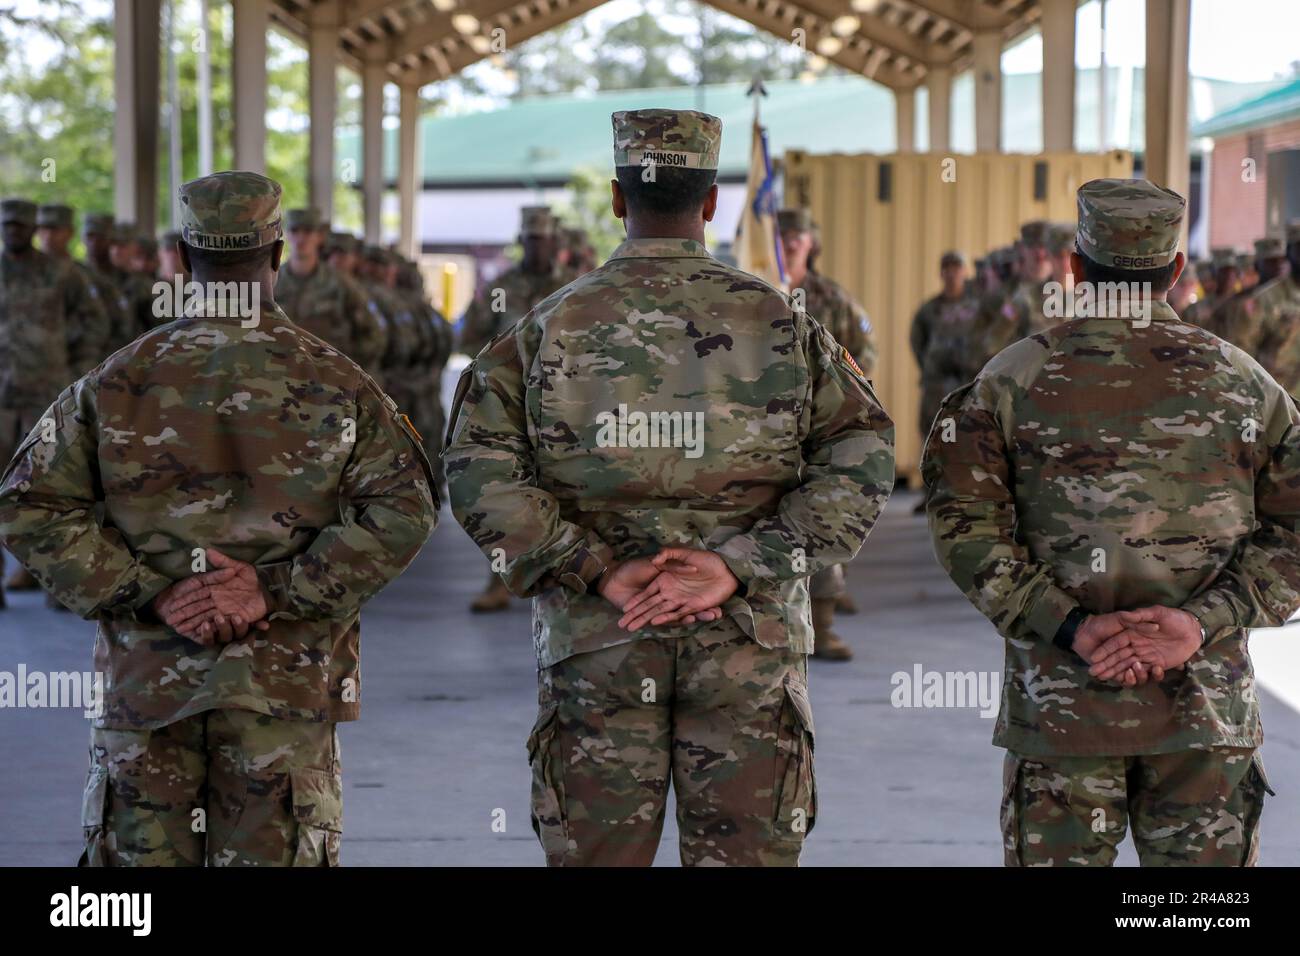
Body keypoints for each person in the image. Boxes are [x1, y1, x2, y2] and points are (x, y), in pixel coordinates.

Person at [444, 108, 895, 866]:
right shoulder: (784, 323)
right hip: (748, 647)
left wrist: (593, 568)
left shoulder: (546, 329)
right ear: (712, 202)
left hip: (599, 645)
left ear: (618, 200)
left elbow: (477, 467)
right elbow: (863, 451)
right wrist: (743, 564)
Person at [0, 171, 438, 865]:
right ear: (277, 255)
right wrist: (274, 589)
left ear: (180, 255)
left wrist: (151, 591)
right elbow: (405, 507)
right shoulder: (339, 383)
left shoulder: (115, 382)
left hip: (147, 692)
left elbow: (27, 505)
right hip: (283, 691)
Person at [923, 178, 1293, 867]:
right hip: (1204, 719)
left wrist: (1071, 625)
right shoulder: (1248, 385)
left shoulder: (1009, 380)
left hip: (1061, 716)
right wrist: (1200, 622)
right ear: (1176, 269)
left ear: (1073, 265)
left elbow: (963, 527)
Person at [460, 205, 572, 613]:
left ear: (555, 243)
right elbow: (471, 336)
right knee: (502, 493)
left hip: (563, 406)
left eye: (543, 240)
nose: (536, 247)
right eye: (530, 240)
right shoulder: (502, 286)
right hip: (510, 406)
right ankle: (500, 578)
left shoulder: (574, 288)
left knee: (563, 492)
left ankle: (563, 575)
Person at [778, 206, 880, 658]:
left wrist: (844, 401)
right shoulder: (748, 291)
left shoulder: (832, 298)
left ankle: (821, 628)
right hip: (761, 431)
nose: (785, 244)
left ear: (811, 244)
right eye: (778, 237)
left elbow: (863, 351)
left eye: (794, 238)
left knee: (821, 519)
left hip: (816, 427)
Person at [0, 198, 106, 602]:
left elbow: (95, 319)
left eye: (21, 225)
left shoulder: (62, 273)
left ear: (33, 229)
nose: (14, 231)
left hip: (45, 396)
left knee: (46, 489)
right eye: (7, 224)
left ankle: (52, 580)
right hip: (1, 397)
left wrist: (76, 370)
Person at [275, 207, 385, 376]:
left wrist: (345, 368)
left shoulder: (341, 284)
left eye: (308, 231)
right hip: (283, 381)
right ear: (286, 234)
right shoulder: (272, 283)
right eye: (295, 231)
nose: (301, 238)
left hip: (330, 387)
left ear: (319, 237)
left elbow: (373, 336)